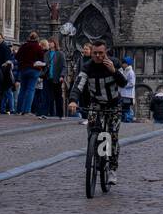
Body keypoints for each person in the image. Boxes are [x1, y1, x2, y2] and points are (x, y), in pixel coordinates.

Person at [67, 41, 128, 185]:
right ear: (91, 53)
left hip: (113, 104)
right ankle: (95, 150)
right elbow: (78, 84)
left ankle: (112, 169)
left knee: (112, 135)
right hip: (96, 103)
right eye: (95, 53)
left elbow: (124, 83)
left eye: (101, 53)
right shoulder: (87, 67)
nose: (98, 56)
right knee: (94, 129)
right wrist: (73, 100)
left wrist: (114, 71)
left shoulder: (114, 63)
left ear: (105, 52)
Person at [15, 31, 45, 114]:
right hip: (34, 70)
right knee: (31, 90)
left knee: (22, 89)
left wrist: (23, 62)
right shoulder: (38, 47)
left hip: (24, 69)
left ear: (29, 38)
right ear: (37, 38)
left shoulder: (24, 46)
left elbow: (16, 56)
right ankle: (27, 110)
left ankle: (19, 110)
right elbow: (42, 60)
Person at [45, 38, 67, 120]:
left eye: (51, 42)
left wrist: (62, 76)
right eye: (49, 42)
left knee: (58, 97)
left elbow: (64, 66)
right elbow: (45, 64)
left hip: (57, 78)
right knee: (47, 96)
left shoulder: (60, 54)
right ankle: (46, 113)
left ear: (55, 43)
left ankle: (60, 114)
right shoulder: (47, 53)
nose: (49, 44)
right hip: (48, 77)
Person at [0, 33, 16, 114]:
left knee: (7, 91)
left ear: (2, 38)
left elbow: (7, 60)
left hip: (4, 72)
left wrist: (2, 66)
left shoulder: (5, 47)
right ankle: (2, 108)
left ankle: (11, 108)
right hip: (0, 71)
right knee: (3, 91)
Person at [119, 55, 136, 122]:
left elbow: (132, 83)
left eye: (124, 63)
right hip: (123, 94)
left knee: (126, 107)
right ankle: (125, 118)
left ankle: (128, 119)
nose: (122, 64)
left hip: (128, 94)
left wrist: (123, 85)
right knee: (124, 107)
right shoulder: (124, 71)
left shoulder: (130, 72)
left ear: (127, 64)